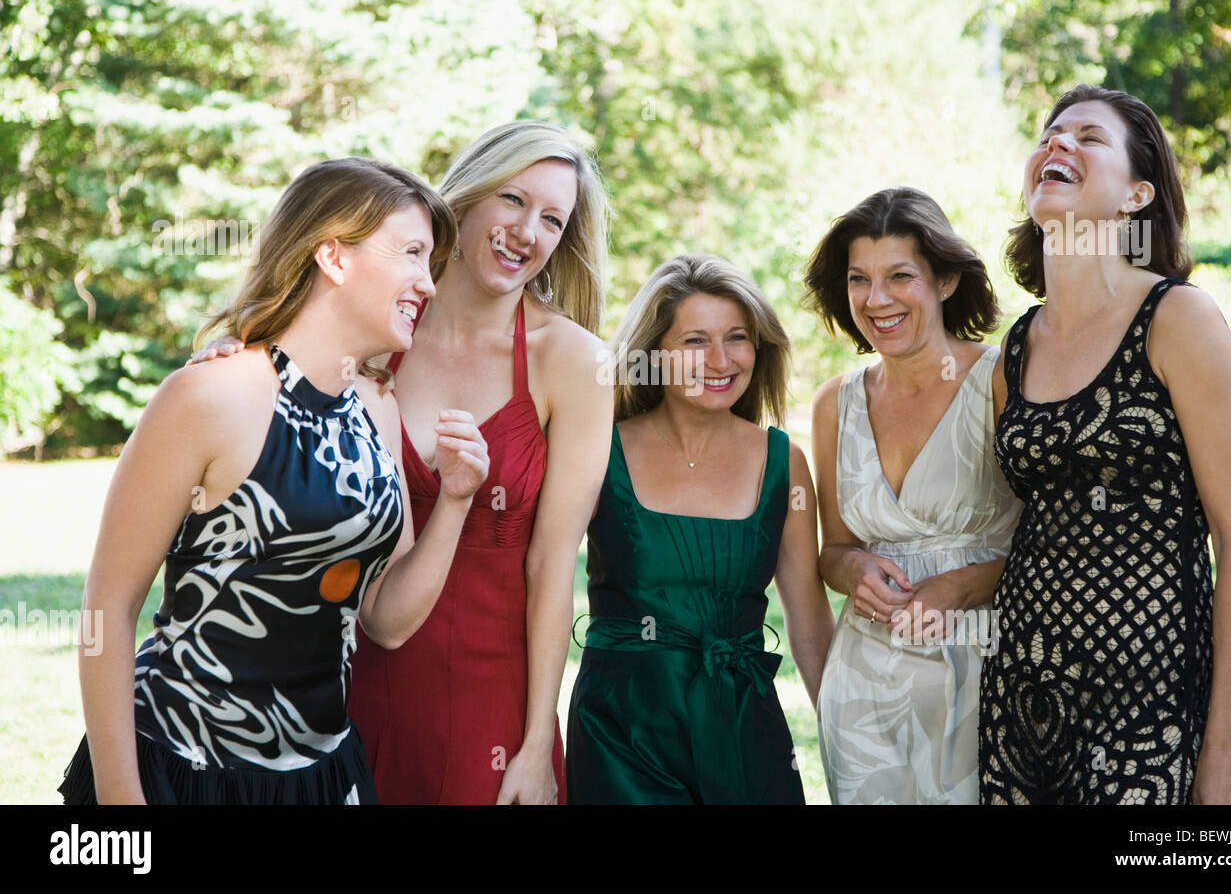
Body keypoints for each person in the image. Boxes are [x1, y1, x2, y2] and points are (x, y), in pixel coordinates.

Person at [193, 121, 613, 803]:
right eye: (512, 199)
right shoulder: (382, 324)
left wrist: (537, 742)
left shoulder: (576, 364)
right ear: (469, 195)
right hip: (335, 683)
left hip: (488, 703)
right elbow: (277, 385)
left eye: (552, 219)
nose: (528, 232)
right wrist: (237, 362)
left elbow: (551, 564)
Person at [60, 157, 488, 804]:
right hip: (183, 770)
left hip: (323, 777)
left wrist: (455, 501)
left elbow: (388, 621)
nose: (427, 286)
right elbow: (106, 611)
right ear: (333, 257)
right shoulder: (209, 396)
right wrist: (123, 802)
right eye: (410, 254)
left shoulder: (377, 406)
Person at [979, 84, 1231, 804]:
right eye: (1050, 133)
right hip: (1022, 697)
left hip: (1149, 701)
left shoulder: (1179, 318)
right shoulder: (1015, 349)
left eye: (1088, 137)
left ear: (1137, 196)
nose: (1058, 143)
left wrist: (1226, 746)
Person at [566, 253, 835, 804]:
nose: (720, 360)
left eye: (736, 337)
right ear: (653, 355)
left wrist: (849, 746)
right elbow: (543, 580)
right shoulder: (599, 447)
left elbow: (809, 623)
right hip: (621, 733)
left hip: (745, 728)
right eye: (694, 341)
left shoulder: (785, 462)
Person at [805, 187, 1021, 804]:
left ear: (946, 279)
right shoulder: (833, 404)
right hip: (866, 684)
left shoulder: (1002, 380)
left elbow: (1052, 538)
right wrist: (854, 568)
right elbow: (835, 550)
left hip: (988, 664)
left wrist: (963, 584)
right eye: (858, 279)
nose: (876, 300)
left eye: (900, 276)